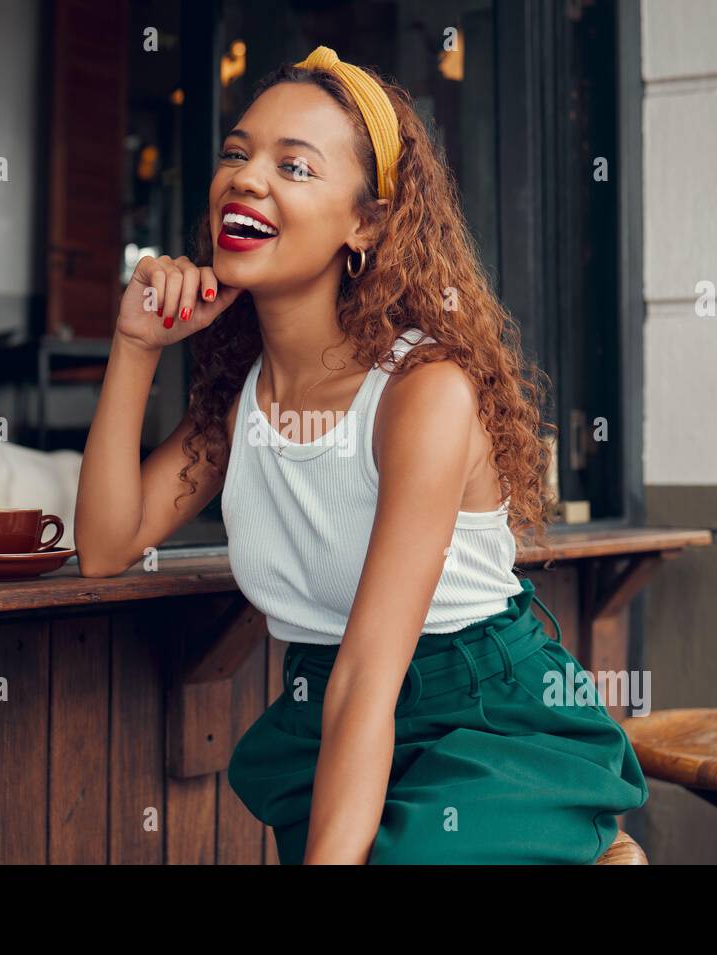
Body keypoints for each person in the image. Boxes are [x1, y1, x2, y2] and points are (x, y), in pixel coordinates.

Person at [74, 46, 647, 864]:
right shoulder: (243, 402)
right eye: (236, 153)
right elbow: (103, 544)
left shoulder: (422, 391)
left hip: (480, 715)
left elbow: (370, 677)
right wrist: (135, 348)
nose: (247, 177)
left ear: (366, 223)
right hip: (324, 714)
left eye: (294, 167)